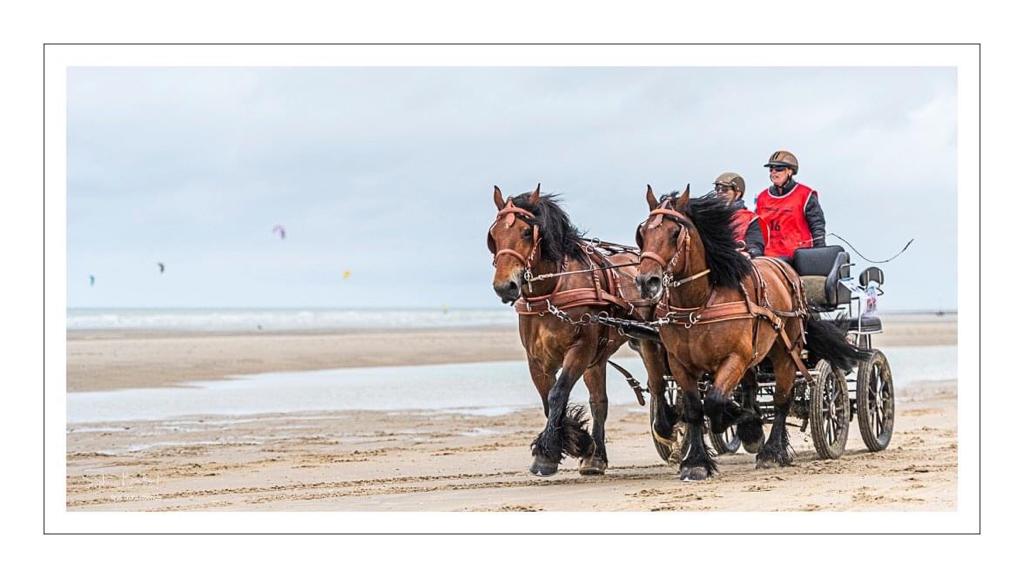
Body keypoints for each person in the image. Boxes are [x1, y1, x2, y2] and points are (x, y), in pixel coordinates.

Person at [755, 150, 827, 260]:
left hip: (798, 256)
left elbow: (817, 226)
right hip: (768, 257)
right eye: (771, 169)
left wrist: (819, 254)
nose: (774, 172)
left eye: (778, 169)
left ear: (790, 171)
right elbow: (757, 229)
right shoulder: (762, 197)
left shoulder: (805, 195)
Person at [714, 172, 764, 258]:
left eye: (725, 189)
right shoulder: (710, 216)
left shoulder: (751, 218)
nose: (720, 192)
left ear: (737, 193)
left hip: (736, 261)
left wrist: (750, 253)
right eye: (717, 189)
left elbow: (756, 244)